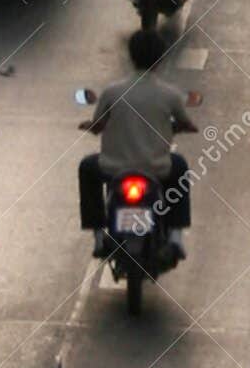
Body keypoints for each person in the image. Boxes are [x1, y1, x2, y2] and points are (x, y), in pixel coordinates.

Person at [78, 28, 199, 258]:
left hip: (113, 168)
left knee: (87, 167)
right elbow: (185, 123)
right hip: (157, 168)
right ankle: (175, 237)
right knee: (180, 166)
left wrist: (89, 126)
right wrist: (179, 127)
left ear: (131, 56)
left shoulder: (112, 92)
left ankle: (98, 235)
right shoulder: (170, 95)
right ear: (161, 58)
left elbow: (98, 126)